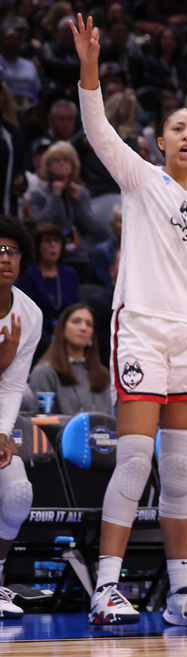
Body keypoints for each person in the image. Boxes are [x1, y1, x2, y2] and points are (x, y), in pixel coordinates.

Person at [72, 15, 187, 629]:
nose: (186, 135)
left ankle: (180, 595)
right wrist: (91, 68)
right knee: (134, 461)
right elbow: (97, 130)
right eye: (177, 127)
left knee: (179, 470)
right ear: (160, 141)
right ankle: (106, 587)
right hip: (143, 330)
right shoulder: (141, 179)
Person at [0, 215, 43, 620]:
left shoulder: (30, 314)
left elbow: (12, 386)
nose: (5, 257)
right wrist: (3, 359)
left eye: (11, 251)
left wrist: (2, 433)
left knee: (17, 493)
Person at [28, 303, 110, 415]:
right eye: (76, 322)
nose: (83, 328)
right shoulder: (44, 372)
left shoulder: (104, 376)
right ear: (62, 329)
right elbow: (40, 418)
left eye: (89, 324)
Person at [14, 222, 79, 349]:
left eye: (57, 241)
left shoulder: (70, 274)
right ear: (37, 246)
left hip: (66, 337)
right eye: (48, 241)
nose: (53, 245)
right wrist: (50, 342)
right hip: (36, 339)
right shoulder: (27, 275)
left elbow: (75, 310)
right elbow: (26, 316)